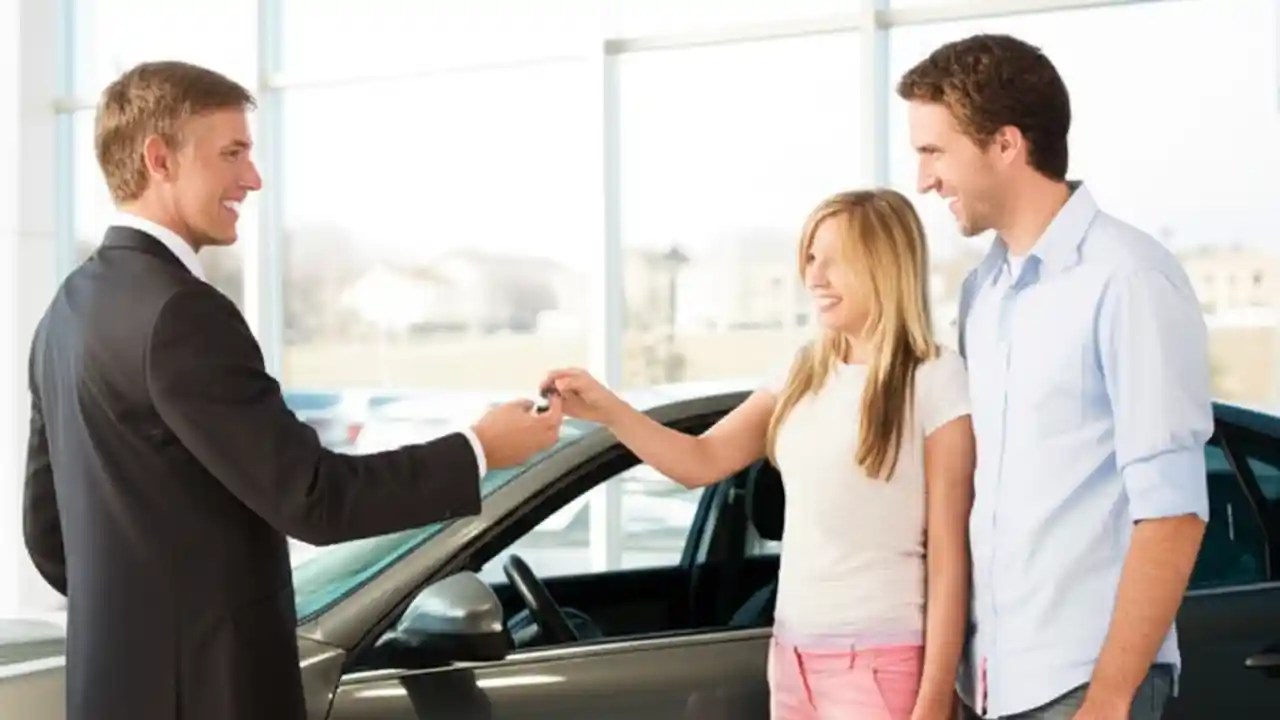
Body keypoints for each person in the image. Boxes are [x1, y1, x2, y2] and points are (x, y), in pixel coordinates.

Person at [22, 61, 563, 720]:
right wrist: (479, 448)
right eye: (232, 153)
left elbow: (48, 535)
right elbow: (315, 498)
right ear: (159, 159)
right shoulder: (182, 314)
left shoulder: (67, 312)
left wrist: (143, 635)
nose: (252, 178)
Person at [541, 188, 975, 720]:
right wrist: (610, 410)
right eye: (812, 257)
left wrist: (934, 698)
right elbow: (700, 461)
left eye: (836, 259)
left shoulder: (934, 377)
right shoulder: (802, 370)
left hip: (878, 665)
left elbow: (951, 552)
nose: (815, 276)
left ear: (885, 264)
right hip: (792, 658)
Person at [897, 34, 1212, 720]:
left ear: (1005, 145)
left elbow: (1174, 510)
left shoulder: (1128, 278)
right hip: (993, 684)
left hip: (1082, 687)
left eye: (934, 152)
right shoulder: (983, 292)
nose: (924, 180)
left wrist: (1110, 698)